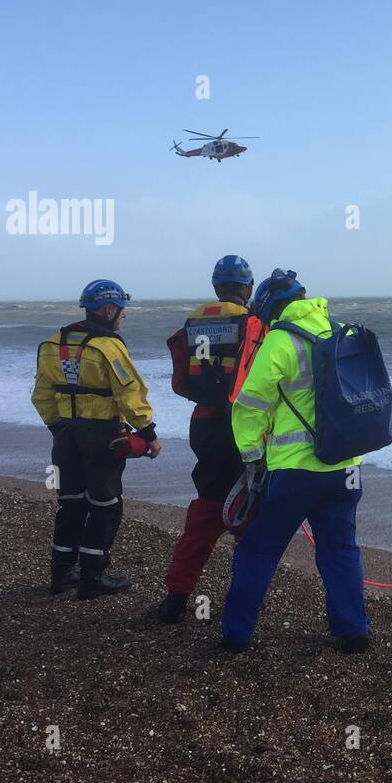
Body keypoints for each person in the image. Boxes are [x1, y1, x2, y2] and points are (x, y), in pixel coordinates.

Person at [219, 268, 370, 653]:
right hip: (345, 468)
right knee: (340, 550)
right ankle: (352, 631)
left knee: (259, 549)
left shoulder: (280, 341)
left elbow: (250, 406)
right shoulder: (340, 332)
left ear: (272, 306)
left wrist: (251, 457)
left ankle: (236, 635)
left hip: (294, 471)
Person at [31, 279, 162, 599]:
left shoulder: (51, 344)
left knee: (71, 503)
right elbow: (129, 394)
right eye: (121, 310)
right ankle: (92, 577)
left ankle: (61, 574)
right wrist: (149, 434)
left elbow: (41, 396)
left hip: (65, 435)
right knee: (105, 505)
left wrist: (58, 429)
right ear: (107, 309)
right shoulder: (108, 346)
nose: (124, 317)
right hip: (101, 436)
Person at [157, 255, 260, 623]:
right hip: (243, 428)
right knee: (248, 516)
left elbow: (181, 383)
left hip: (203, 426)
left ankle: (175, 598)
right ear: (248, 287)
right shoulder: (252, 324)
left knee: (205, 511)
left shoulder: (192, 323)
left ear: (216, 286)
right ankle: (243, 605)